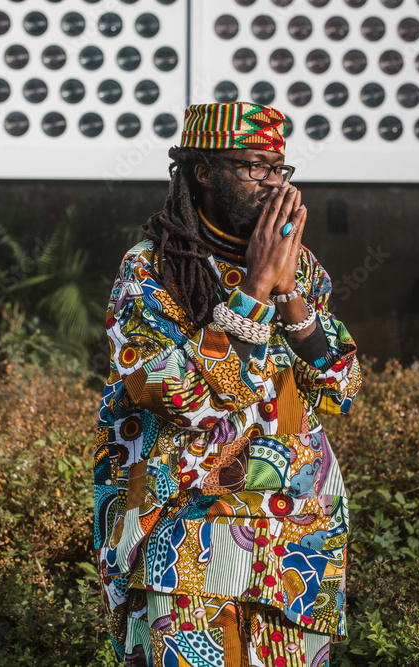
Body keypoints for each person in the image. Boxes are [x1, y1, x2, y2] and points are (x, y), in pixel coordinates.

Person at [94, 102, 361, 667]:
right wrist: (256, 288)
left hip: (296, 542)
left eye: (278, 168)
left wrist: (289, 293)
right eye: (253, 167)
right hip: (186, 538)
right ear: (204, 172)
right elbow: (183, 400)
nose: (272, 184)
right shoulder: (152, 270)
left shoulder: (303, 268)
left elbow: (340, 387)